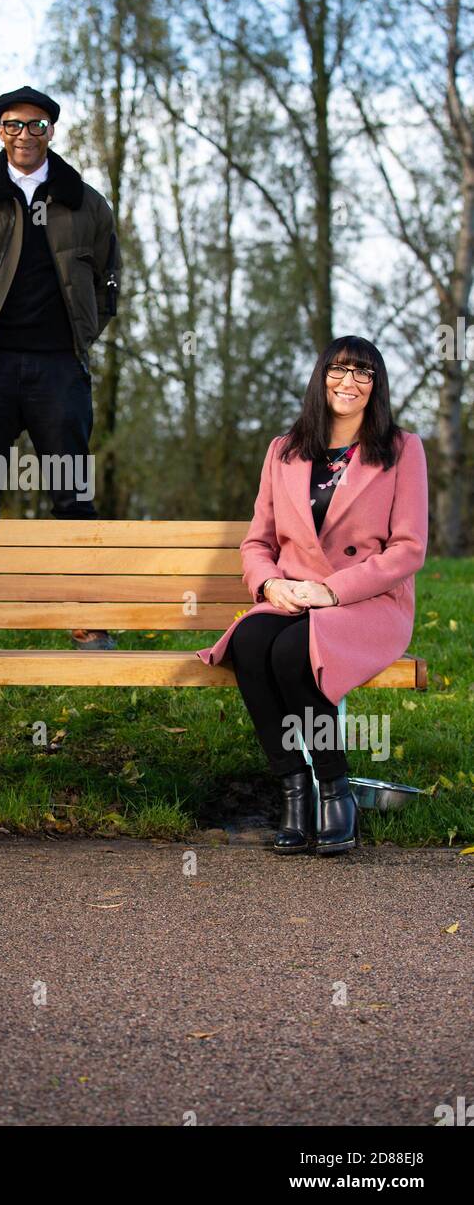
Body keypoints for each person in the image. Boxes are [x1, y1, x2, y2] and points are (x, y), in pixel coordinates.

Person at [196, 336, 428, 856]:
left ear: (376, 386)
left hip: (366, 601)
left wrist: (332, 589)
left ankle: (335, 788)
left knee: (290, 651)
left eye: (363, 373)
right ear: (321, 378)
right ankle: (294, 792)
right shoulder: (285, 450)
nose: (349, 382)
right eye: (339, 370)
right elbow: (257, 540)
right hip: (293, 594)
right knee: (253, 640)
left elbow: (409, 549)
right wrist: (269, 583)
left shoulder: (402, 449)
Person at [0, 84, 121, 651]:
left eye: (37, 125)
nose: (25, 134)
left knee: (72, 494)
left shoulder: (85, 203)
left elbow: (109, 281)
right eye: (14, 124)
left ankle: (87, 617)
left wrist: (81, 337)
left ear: (51, 132)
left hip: (58, 369)